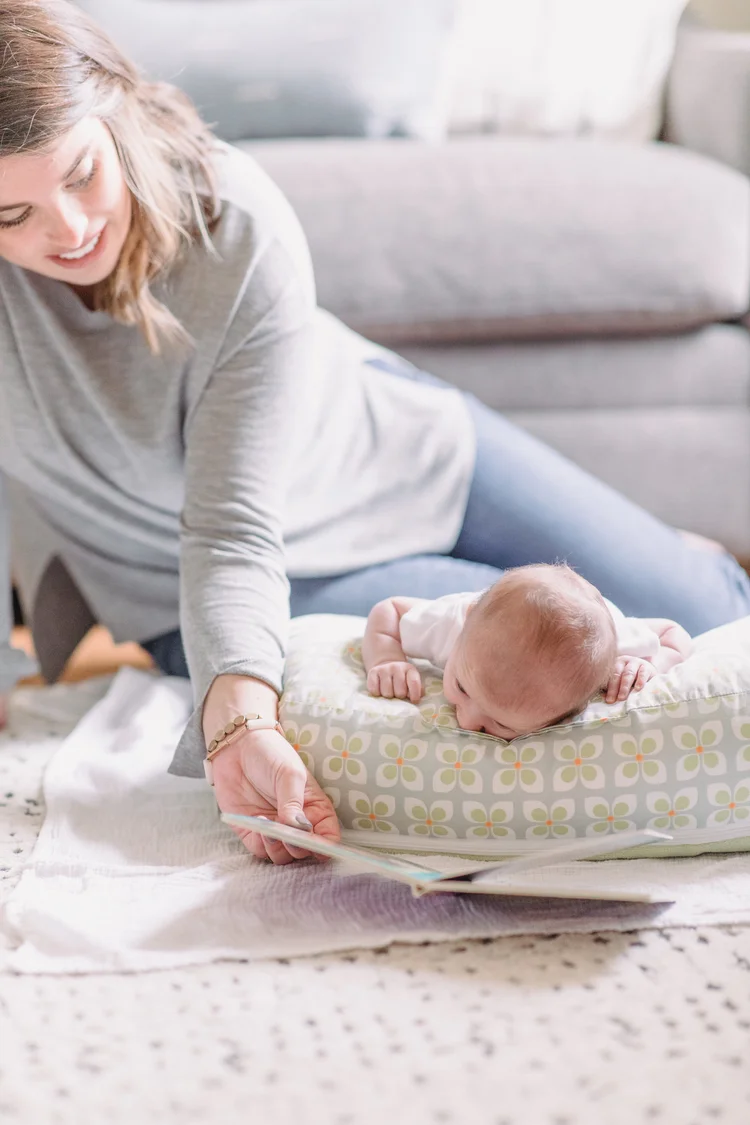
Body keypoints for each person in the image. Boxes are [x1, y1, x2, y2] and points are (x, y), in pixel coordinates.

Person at [1, 0, 748, 866]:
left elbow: (234, 510)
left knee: (708, 614)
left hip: (395, 455)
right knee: (528, 674)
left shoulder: (237, 220)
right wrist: (237, 720)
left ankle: (670, 557)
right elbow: (228, 540)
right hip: (228, 574)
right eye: (10, 215)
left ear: (119, 110)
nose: (69, 228)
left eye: (83, 174)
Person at [362, 564, 693, 742]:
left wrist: (651, 664)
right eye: (462, 688)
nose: (466, 721)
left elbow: (672, 634)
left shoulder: (608, 648)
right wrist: (388, 658)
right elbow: (390, 608)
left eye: (502, 724)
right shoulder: (455, 623)